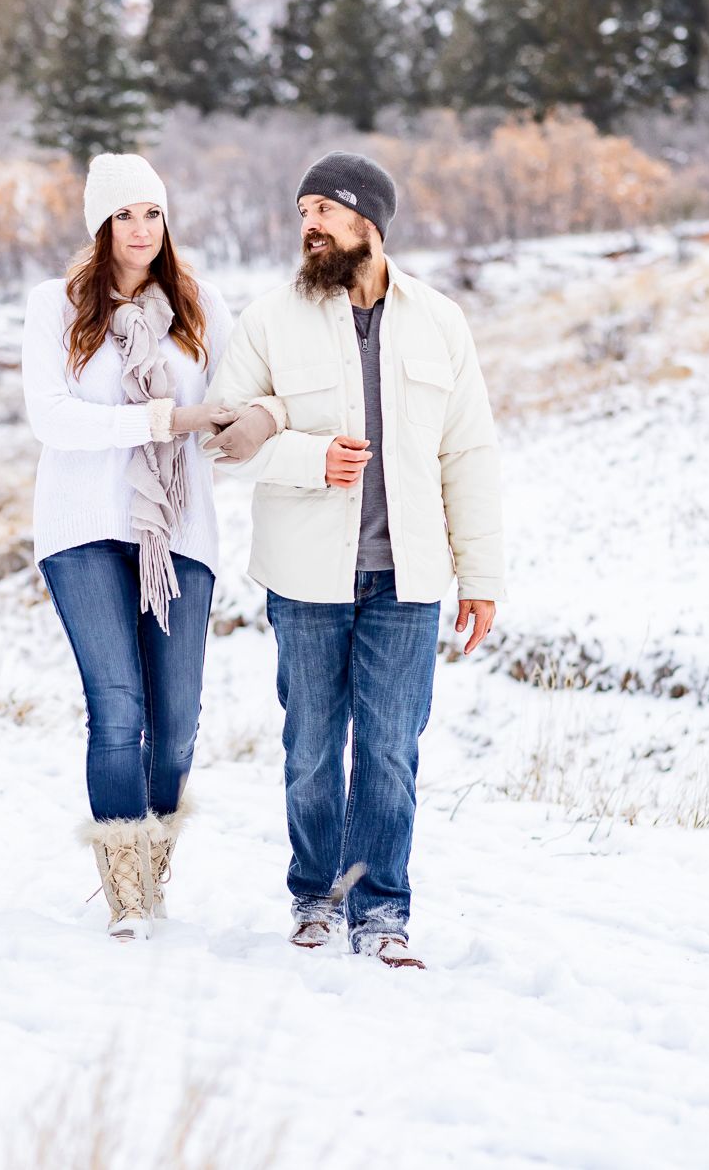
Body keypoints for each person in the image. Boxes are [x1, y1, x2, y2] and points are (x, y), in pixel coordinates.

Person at [205, 151, 505, 969]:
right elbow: (220, 441)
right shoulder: (269, 319)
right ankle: (314, 898)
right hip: (305, 577)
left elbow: (469, 452)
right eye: (302, 210)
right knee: (309, 749)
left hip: (409, 578)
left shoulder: (440, 321)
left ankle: (380, 912)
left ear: (369, 222)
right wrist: (309, 460)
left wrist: (481, 576)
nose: (310, 224)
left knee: (388, 754)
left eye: (326, 211)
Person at [21, 153, 241, 941]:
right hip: (82, 529)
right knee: (118, 710)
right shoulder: (58, 306)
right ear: (99, 224)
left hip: (178, 532)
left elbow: (238, 404)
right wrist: (163, 421)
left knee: (177, 720)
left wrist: (279, 437)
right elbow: (52, 418)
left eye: (152, 213)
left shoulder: (201, 305)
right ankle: (126, 892)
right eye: (123, 215)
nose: (141, 230)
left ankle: (153, 859)